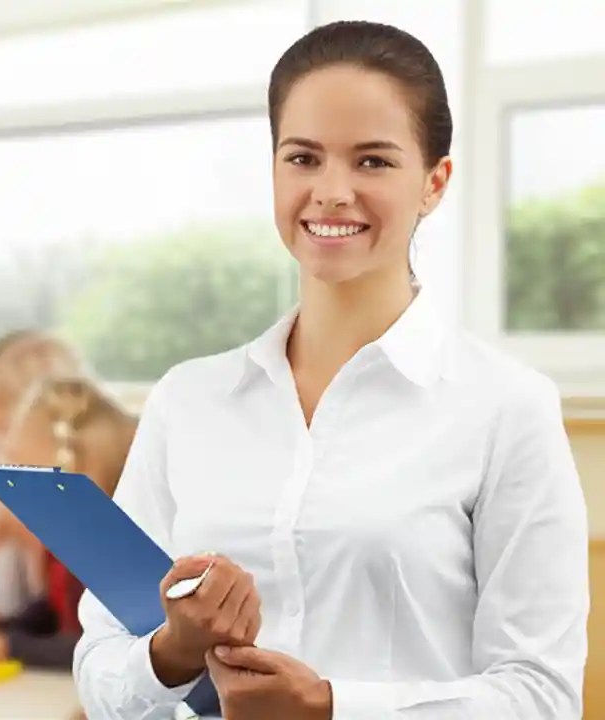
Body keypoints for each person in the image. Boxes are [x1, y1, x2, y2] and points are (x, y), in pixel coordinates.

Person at [74, 20, 588, 720]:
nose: (332, 191)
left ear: (434, 182)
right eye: (303, 158)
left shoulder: (506, 408)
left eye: (372, 161)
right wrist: (173, 650)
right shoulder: (188, 401)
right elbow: (100, 668)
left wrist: (330, 706)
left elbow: (542, 696)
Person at [0, 376, 135, 672]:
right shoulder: (62, 553)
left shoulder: (119, 556)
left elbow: (95, 646)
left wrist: (6, 646)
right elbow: (58, 611)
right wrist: (5, 627)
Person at [0, 329, 85, 616]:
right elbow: (27, 610)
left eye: (7, 439)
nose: (2, 455)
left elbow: (61, 614)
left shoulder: (86, 498)